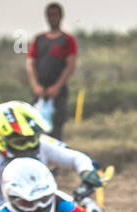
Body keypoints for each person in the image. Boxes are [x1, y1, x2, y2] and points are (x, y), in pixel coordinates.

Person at [27, 3, 79, 139]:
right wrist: (36, 86)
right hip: (40, 91)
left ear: (61, 17)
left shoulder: (67, 40)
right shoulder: (39, 40)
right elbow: (30, 63)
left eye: (55, 15)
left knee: (56, 131)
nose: (53, 18)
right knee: (36, 129)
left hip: (58, 93)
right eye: (50, 15)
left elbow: (70, 65)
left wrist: (57, 87)